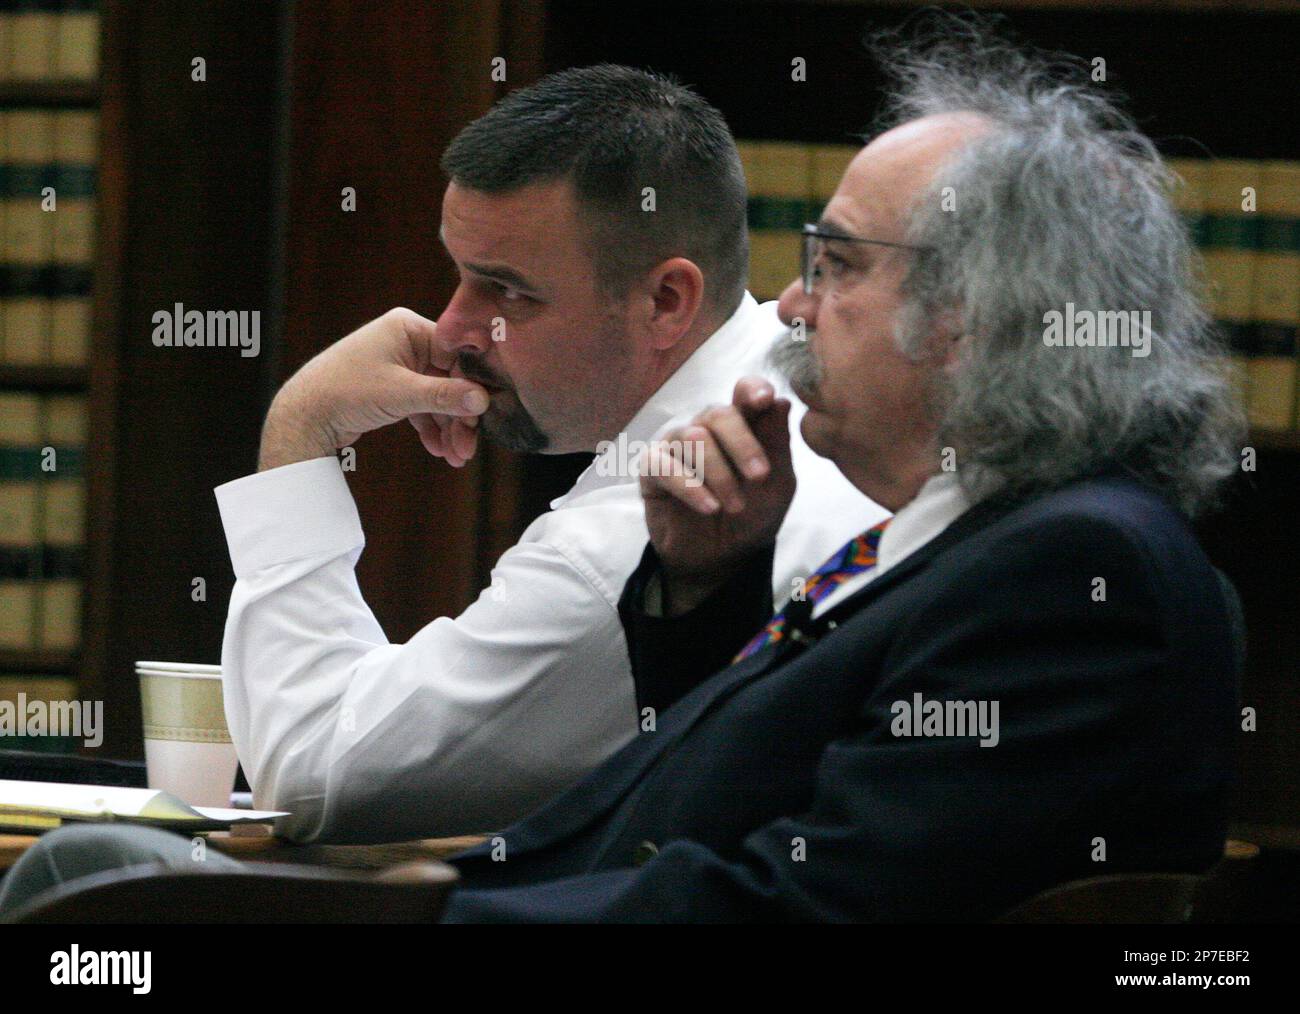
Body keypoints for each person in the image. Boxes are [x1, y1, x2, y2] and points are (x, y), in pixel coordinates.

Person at [0, 21, 1244, 923]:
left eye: (842, 265)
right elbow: (733, 792)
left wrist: (428, 923)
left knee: (97, 913)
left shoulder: (1078, 572)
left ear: (974, 316)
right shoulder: (966, 528)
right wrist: (703, 591)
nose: (798, 305)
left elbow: (807, 903)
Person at [217, 64, 884, 842]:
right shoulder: (812, 390)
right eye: (460, 276)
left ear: (666, 301)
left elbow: (310, 777)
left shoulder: (623, 547)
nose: (452, 330)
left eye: (509, 293)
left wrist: (300, 431)